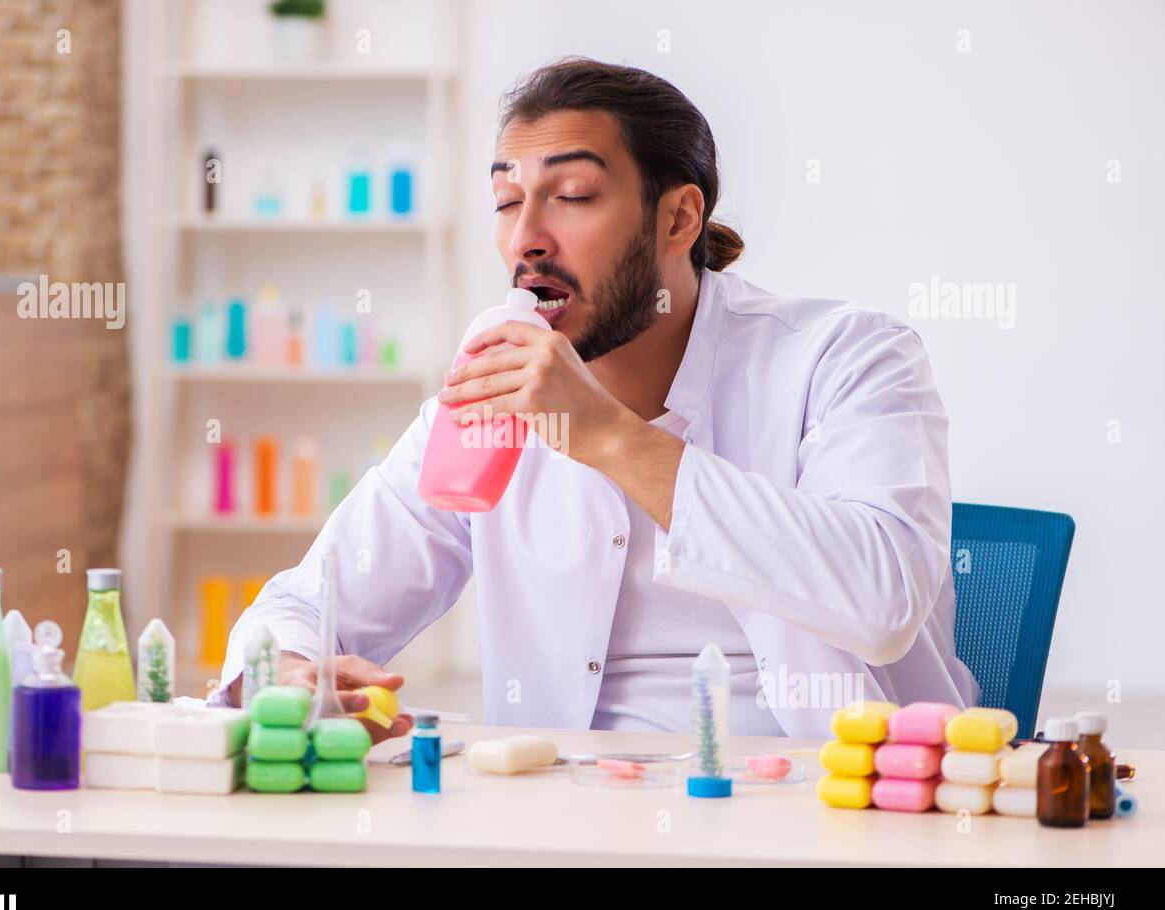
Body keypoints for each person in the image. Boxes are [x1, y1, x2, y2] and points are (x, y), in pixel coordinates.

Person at [210, 57, 979, 741]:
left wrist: (608, 437)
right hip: (567, 818)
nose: (526, 239)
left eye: (572, 195)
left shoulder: (844, 356)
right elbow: (312, 597)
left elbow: (883, 596)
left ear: (678, 218)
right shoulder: (495, 386)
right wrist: (286, 671)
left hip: (831, 809)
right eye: (508, 203)